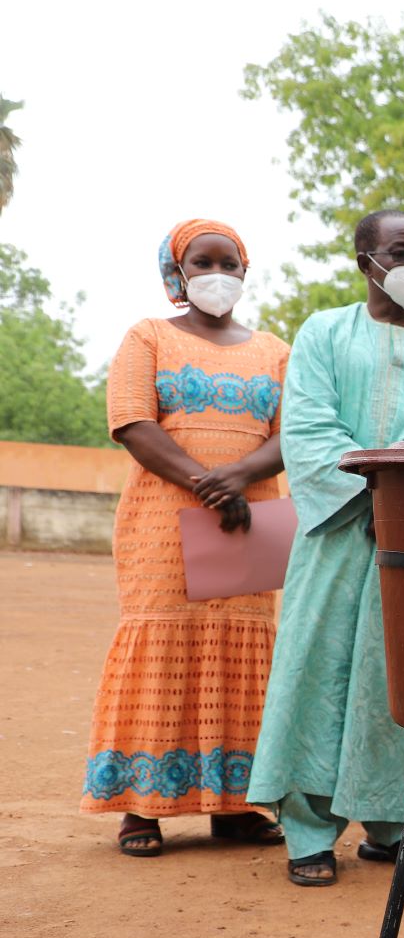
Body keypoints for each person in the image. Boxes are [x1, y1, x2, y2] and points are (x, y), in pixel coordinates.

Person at [247, 209, 404, 886]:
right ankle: (308, 831)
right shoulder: (324, 332)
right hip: (339, 533)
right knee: (321, 671)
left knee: (403, 676)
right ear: (365, 260)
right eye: (402, 252)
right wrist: (379, 494)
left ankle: (398, 824)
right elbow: (306, 432)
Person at [81, 220, 288, 856]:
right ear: (178, 271)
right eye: (203, 262)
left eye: (231, 263)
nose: (217, 273)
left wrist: (240, 479)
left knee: (243, 645)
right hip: (162, 524)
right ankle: (141, 808)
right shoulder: (147, 337)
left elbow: (293, 432)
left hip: (248, 518)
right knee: (162, 638)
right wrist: (206, 485)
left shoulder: (276, 349)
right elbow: (132, 422)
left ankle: (236, 805)